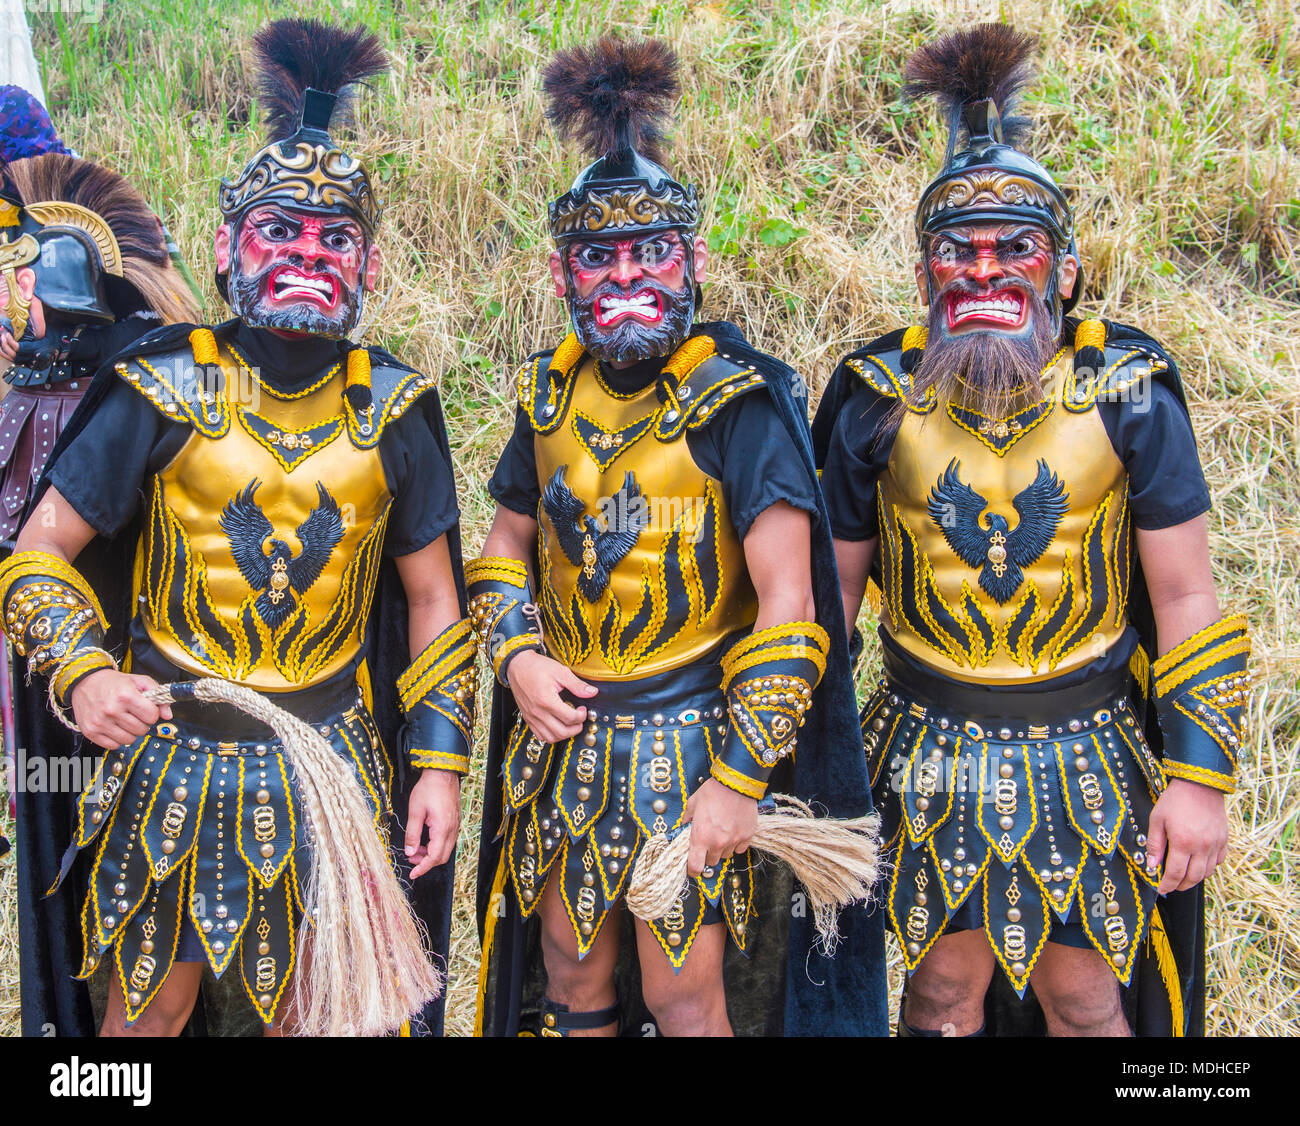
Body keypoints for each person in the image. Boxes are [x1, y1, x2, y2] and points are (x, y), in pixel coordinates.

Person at [0, 18, 471, 1036]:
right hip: (165, 762)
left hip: (332, 765)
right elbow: (36, 556)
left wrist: (436, 760)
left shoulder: (394, 412)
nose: (307, 255)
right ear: (226, 246)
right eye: (279, 233)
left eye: (333, 238)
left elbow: (435, 598)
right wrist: (82, 672)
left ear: (370, 265)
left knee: (329, 1017)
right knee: (134, 1035)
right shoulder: (159, 388)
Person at [811, 23, 1247, 1036]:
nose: (983, 270)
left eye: (1015, 247)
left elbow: (1185, 598)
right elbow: (828, 599)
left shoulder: (1129, 396)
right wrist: (801, 761)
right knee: (936, 990)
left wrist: (1199, 780)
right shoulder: (875, 398)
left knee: (1088, 996)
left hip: (1088, 750)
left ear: (1064, 266)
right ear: (923, 274)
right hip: (920, 746)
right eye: (955, 251)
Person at [472, 37, 885, 1037]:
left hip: (692, 747)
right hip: (564, 753)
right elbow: (500, 549)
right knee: (570, 982)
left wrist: (739, 778)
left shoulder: (738, 406)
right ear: (564, 270)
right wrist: (518, 655)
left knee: (683, 992)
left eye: (649, 252)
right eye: (599, 257)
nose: (625, 277)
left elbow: (792, 610)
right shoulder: (547, 395)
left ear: (690, 259)